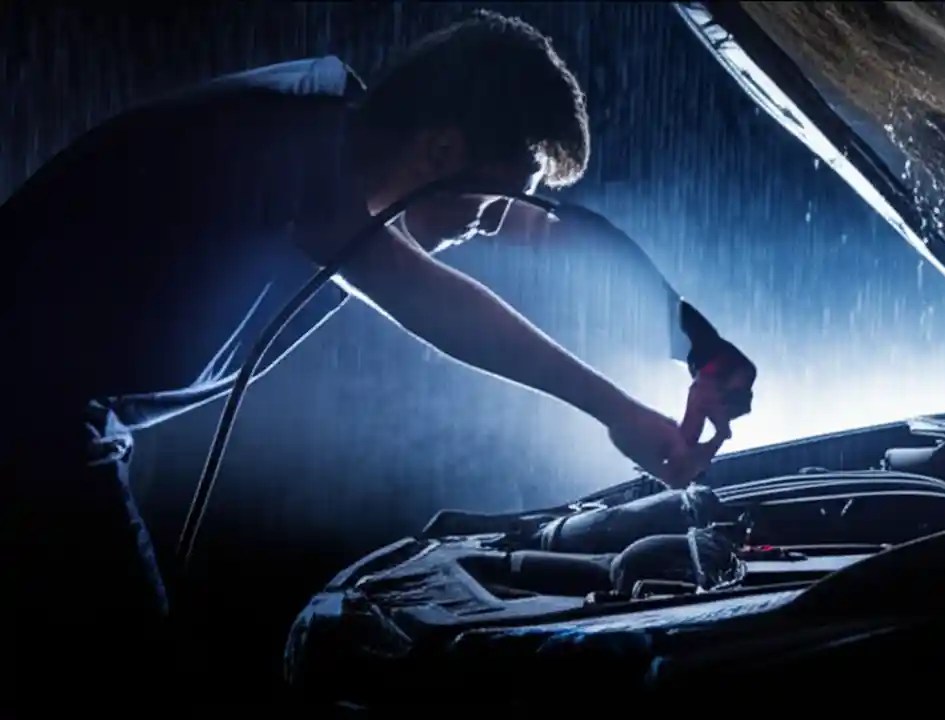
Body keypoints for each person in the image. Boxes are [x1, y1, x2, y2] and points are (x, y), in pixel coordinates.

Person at [0, 9, 750, 705]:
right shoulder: (295, 154)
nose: (492, 230)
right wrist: (616, 413)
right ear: (442, 151)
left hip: (54, 421)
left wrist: (696, 342)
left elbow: (557, 230)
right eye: (489, 204)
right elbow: (439, 306)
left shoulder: (339, 151)